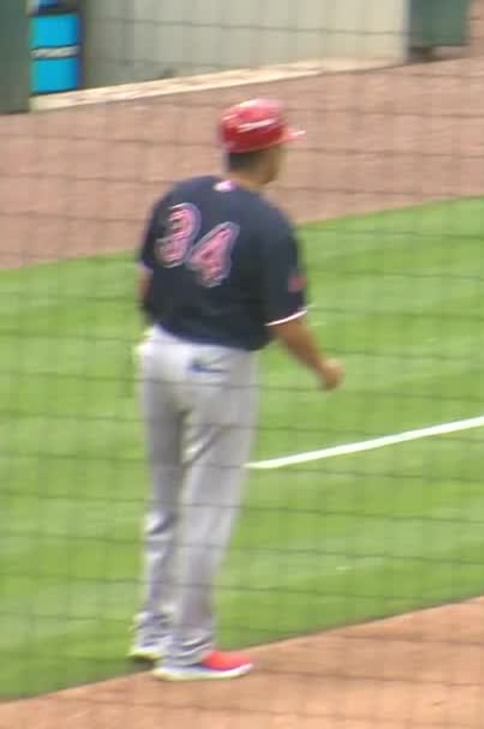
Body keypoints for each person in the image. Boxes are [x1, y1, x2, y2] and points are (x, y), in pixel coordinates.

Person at [129, 98, 344, 680]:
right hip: (217, 371)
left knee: (167, 501)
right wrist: (323, 368)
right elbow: (285, 324)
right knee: (208, 511)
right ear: (269, 152)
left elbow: (145, 281)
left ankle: (153, 629)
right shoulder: (269, 226)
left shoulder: (180, 195)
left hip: (155, 355)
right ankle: (188, 649)